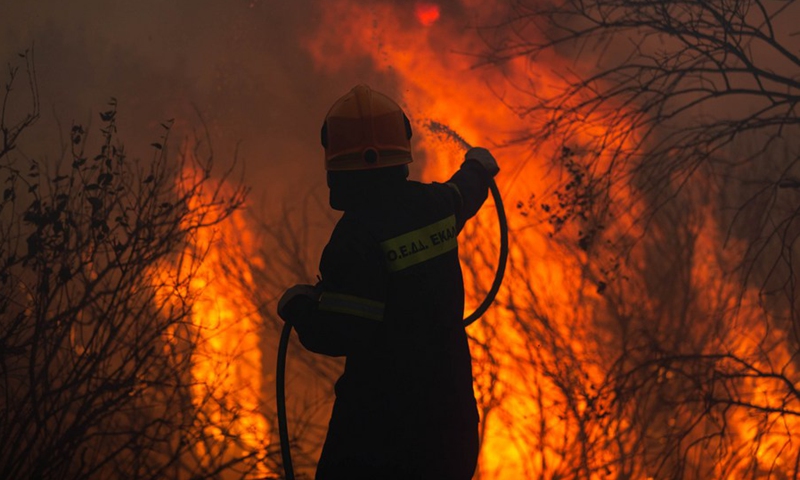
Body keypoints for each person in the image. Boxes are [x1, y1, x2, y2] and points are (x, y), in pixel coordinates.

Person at [277, 85, 499, 479]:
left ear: (335, 161)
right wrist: (478, 167)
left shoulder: (354, 238)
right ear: (402, 148)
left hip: (378, 434)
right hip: (451, 424)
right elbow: (465, 192)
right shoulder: (433, 205)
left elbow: (341, 331)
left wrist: (298, 306)